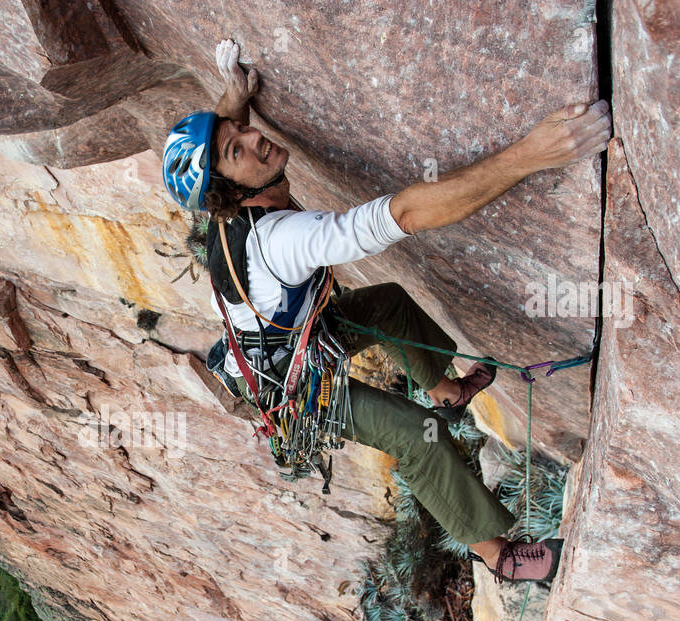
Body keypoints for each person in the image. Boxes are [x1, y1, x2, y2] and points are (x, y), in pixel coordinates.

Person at [162, 39, 611, 584]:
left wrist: (234, 95)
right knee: (414, 433)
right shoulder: (283, 240)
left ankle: (446, 391)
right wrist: (531, 154)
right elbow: (407, 211)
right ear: (228, 193)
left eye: (240, 132)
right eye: (237, 150)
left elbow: (225, 140)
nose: (254, 136)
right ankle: (500, 557)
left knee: (388, 304)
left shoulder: (225, 204)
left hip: (291, 340)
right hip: (288, 387)